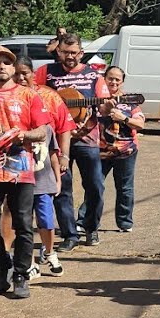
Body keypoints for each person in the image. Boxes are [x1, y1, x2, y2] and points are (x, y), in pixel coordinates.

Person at [0, 45, 51, 299]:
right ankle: (3, 266)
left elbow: (43, 131)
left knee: (24, 225)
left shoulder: (28, 95)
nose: (1, 66)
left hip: (20, 170)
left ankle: (21, 274)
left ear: (14, 68)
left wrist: (21, 135)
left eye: (7, 62)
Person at [35, 33, 109, 250]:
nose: (69, 57)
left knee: (95, 185)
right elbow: (34, 96)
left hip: (87, 139)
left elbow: (103, 106)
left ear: (81, 53)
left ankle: (91, 227)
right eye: (65, 52)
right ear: (58, 51)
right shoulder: (45, 72)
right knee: (61, 188)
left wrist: (109, 107)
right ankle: (70, 235)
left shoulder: (94, 75)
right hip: (57, 141)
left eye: (74, 53)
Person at [12, 58, 74, 277]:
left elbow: (54, 152)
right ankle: (27, 260)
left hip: (44, 178)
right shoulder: (12, 118)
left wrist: (57, 178)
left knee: (46, 220)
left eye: (25, 73)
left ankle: (49, 252)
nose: (21, 78)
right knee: (23, 222)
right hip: (20, 178)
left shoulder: (46, 122)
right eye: (16, 73)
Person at [91, 66, 143, 233]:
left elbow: (140, 124)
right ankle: (86, 221)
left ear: (122, 82)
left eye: (117, 79)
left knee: (125, 187)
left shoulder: (130, 101)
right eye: (110, 78)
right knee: (94, 185)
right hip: (100, 151)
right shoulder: (96, 100)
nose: (113, 82)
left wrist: (124, 118)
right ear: (104, 79)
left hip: (126, 151)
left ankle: (125, 223)